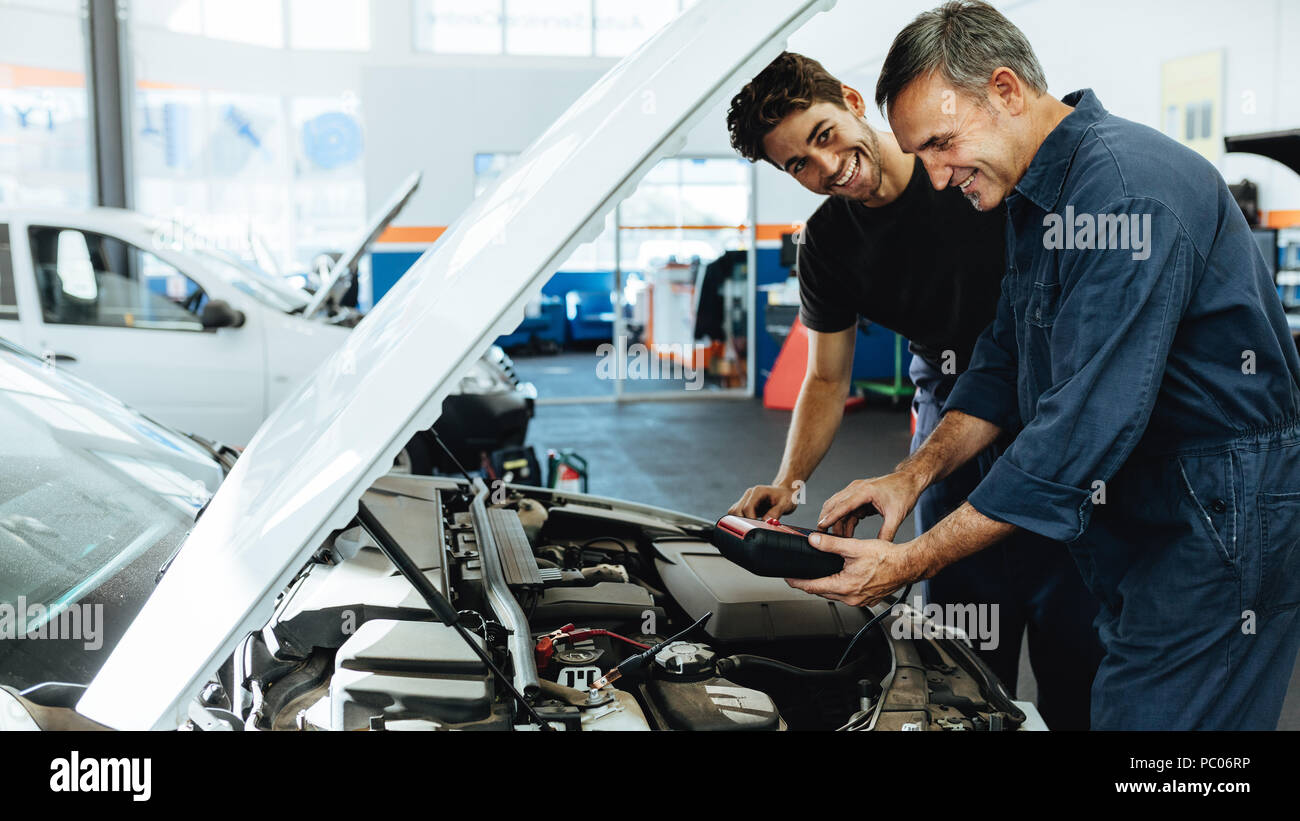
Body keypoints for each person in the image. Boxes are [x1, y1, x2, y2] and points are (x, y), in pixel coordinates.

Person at [799, 0, 1300, 730]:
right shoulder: (1039, 195)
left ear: (1005, 90)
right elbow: (1002, 361)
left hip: (1218, 511)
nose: (935, 178)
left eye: (941, 143)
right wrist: (908, 475)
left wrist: (907, 563)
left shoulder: (1125, 194)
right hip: (1150, 503)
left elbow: (1075, 435)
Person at [724, 52, 1101, 729]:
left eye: (822, 133)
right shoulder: (829, 244)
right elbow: (827, 374)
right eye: (798, 164)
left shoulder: (960, 164)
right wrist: (790, 481)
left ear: (850, 100)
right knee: (959, 639)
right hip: (949, 411)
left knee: (1073, 630)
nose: (826, 165)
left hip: (1051, 393)